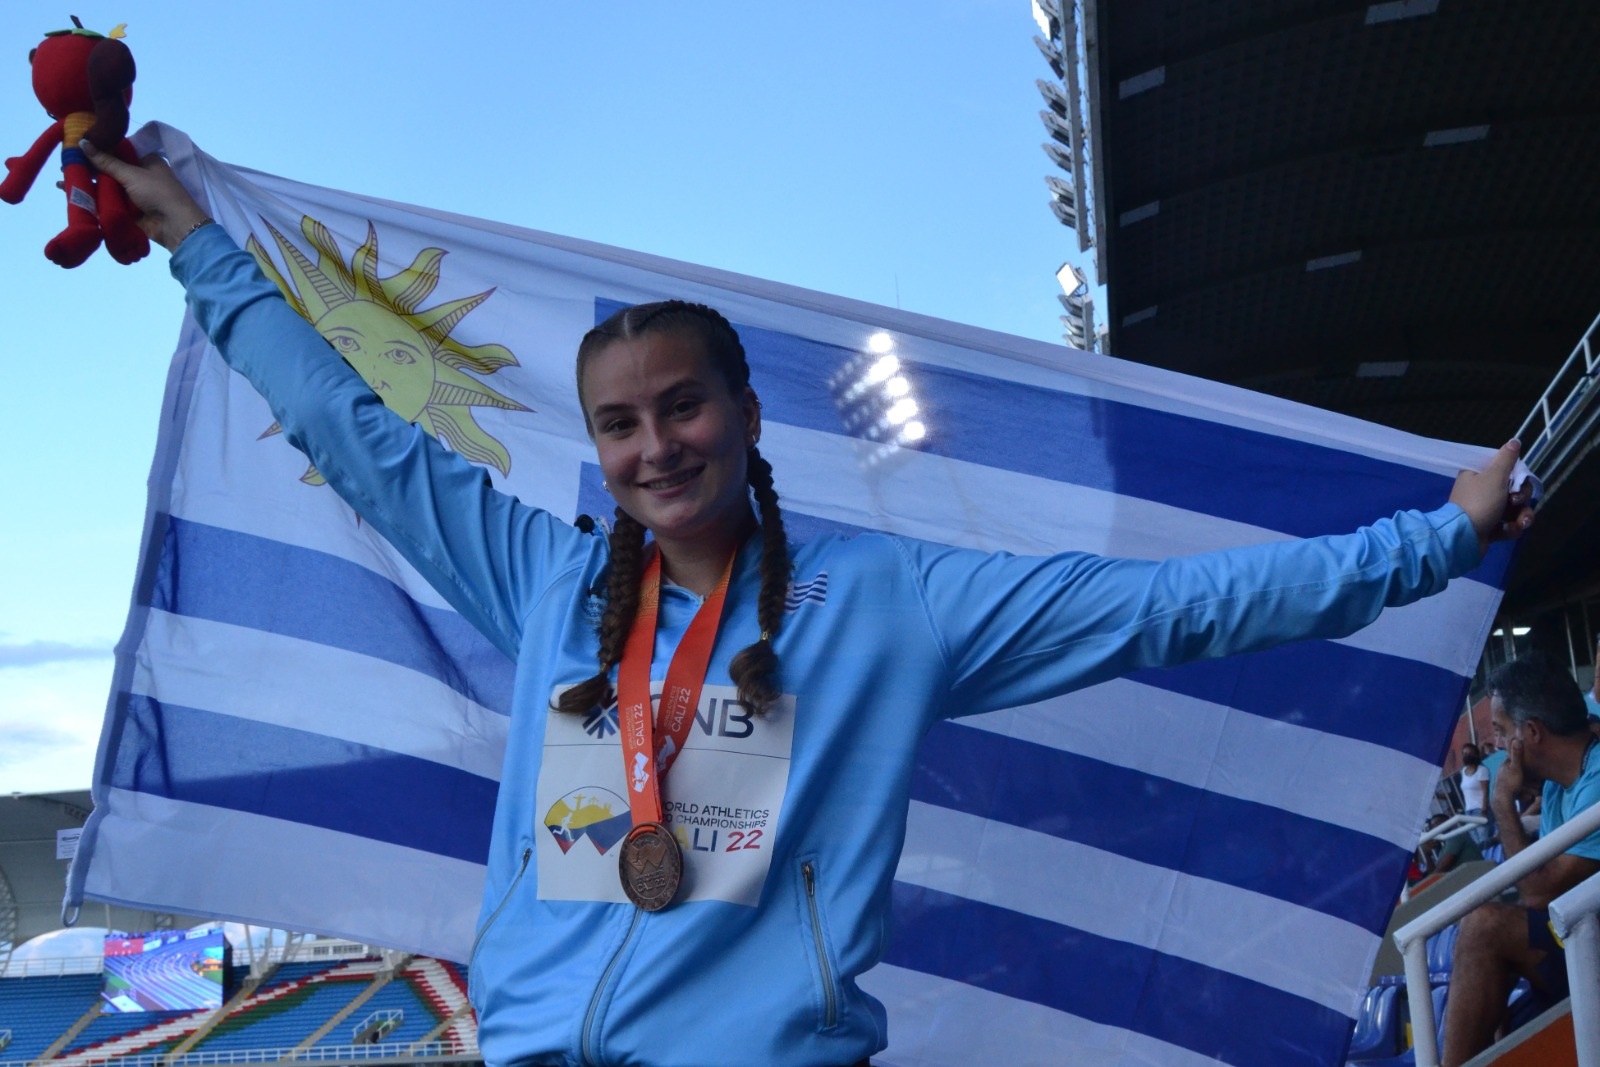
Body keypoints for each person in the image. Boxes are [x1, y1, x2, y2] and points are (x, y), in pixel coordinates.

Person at [83, 141, 1536, 1067]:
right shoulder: (545, 583)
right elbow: (356, 433)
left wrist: (1434, 538)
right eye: (619, 424)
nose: (655, 448)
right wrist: (203, 247)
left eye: (683, 407)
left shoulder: (884, 602)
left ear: (746, 410)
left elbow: (1175, 606)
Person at [1439, 654, 1600, 1067]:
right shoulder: (1558, 788)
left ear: (1531, 732)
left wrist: (1501, 804)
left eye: (1499, 730)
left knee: (1486, 926)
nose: (1494, 744)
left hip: (1592, 947)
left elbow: (1540, 892)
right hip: (1582, 940)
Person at [1458, 742, 1492, 844]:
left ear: (1475, 754)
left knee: (1484, 840)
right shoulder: (1463, 771)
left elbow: (1485, 791)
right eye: (1464, 753)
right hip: (1468, 811)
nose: (1466, 756)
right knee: (1476, 842)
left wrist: (1484, 810)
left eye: (1469, 753)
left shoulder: (1482, 770)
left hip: (1480, 809)